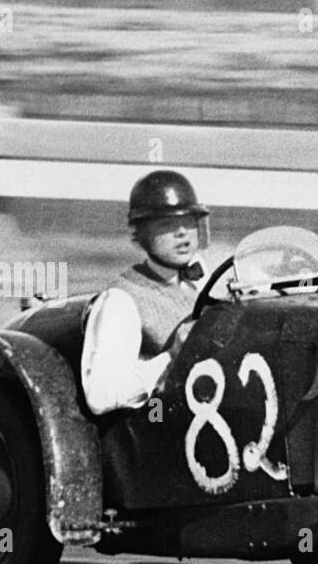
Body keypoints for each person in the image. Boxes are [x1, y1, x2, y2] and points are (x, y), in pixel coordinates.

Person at [81, 170, 228, 415]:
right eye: (167, 224)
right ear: (141, 236)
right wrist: (172, 356)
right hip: (158, 418)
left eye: (189, 221)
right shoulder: (122, 300)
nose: (182, 232)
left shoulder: (213, 275)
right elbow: (100, 396)